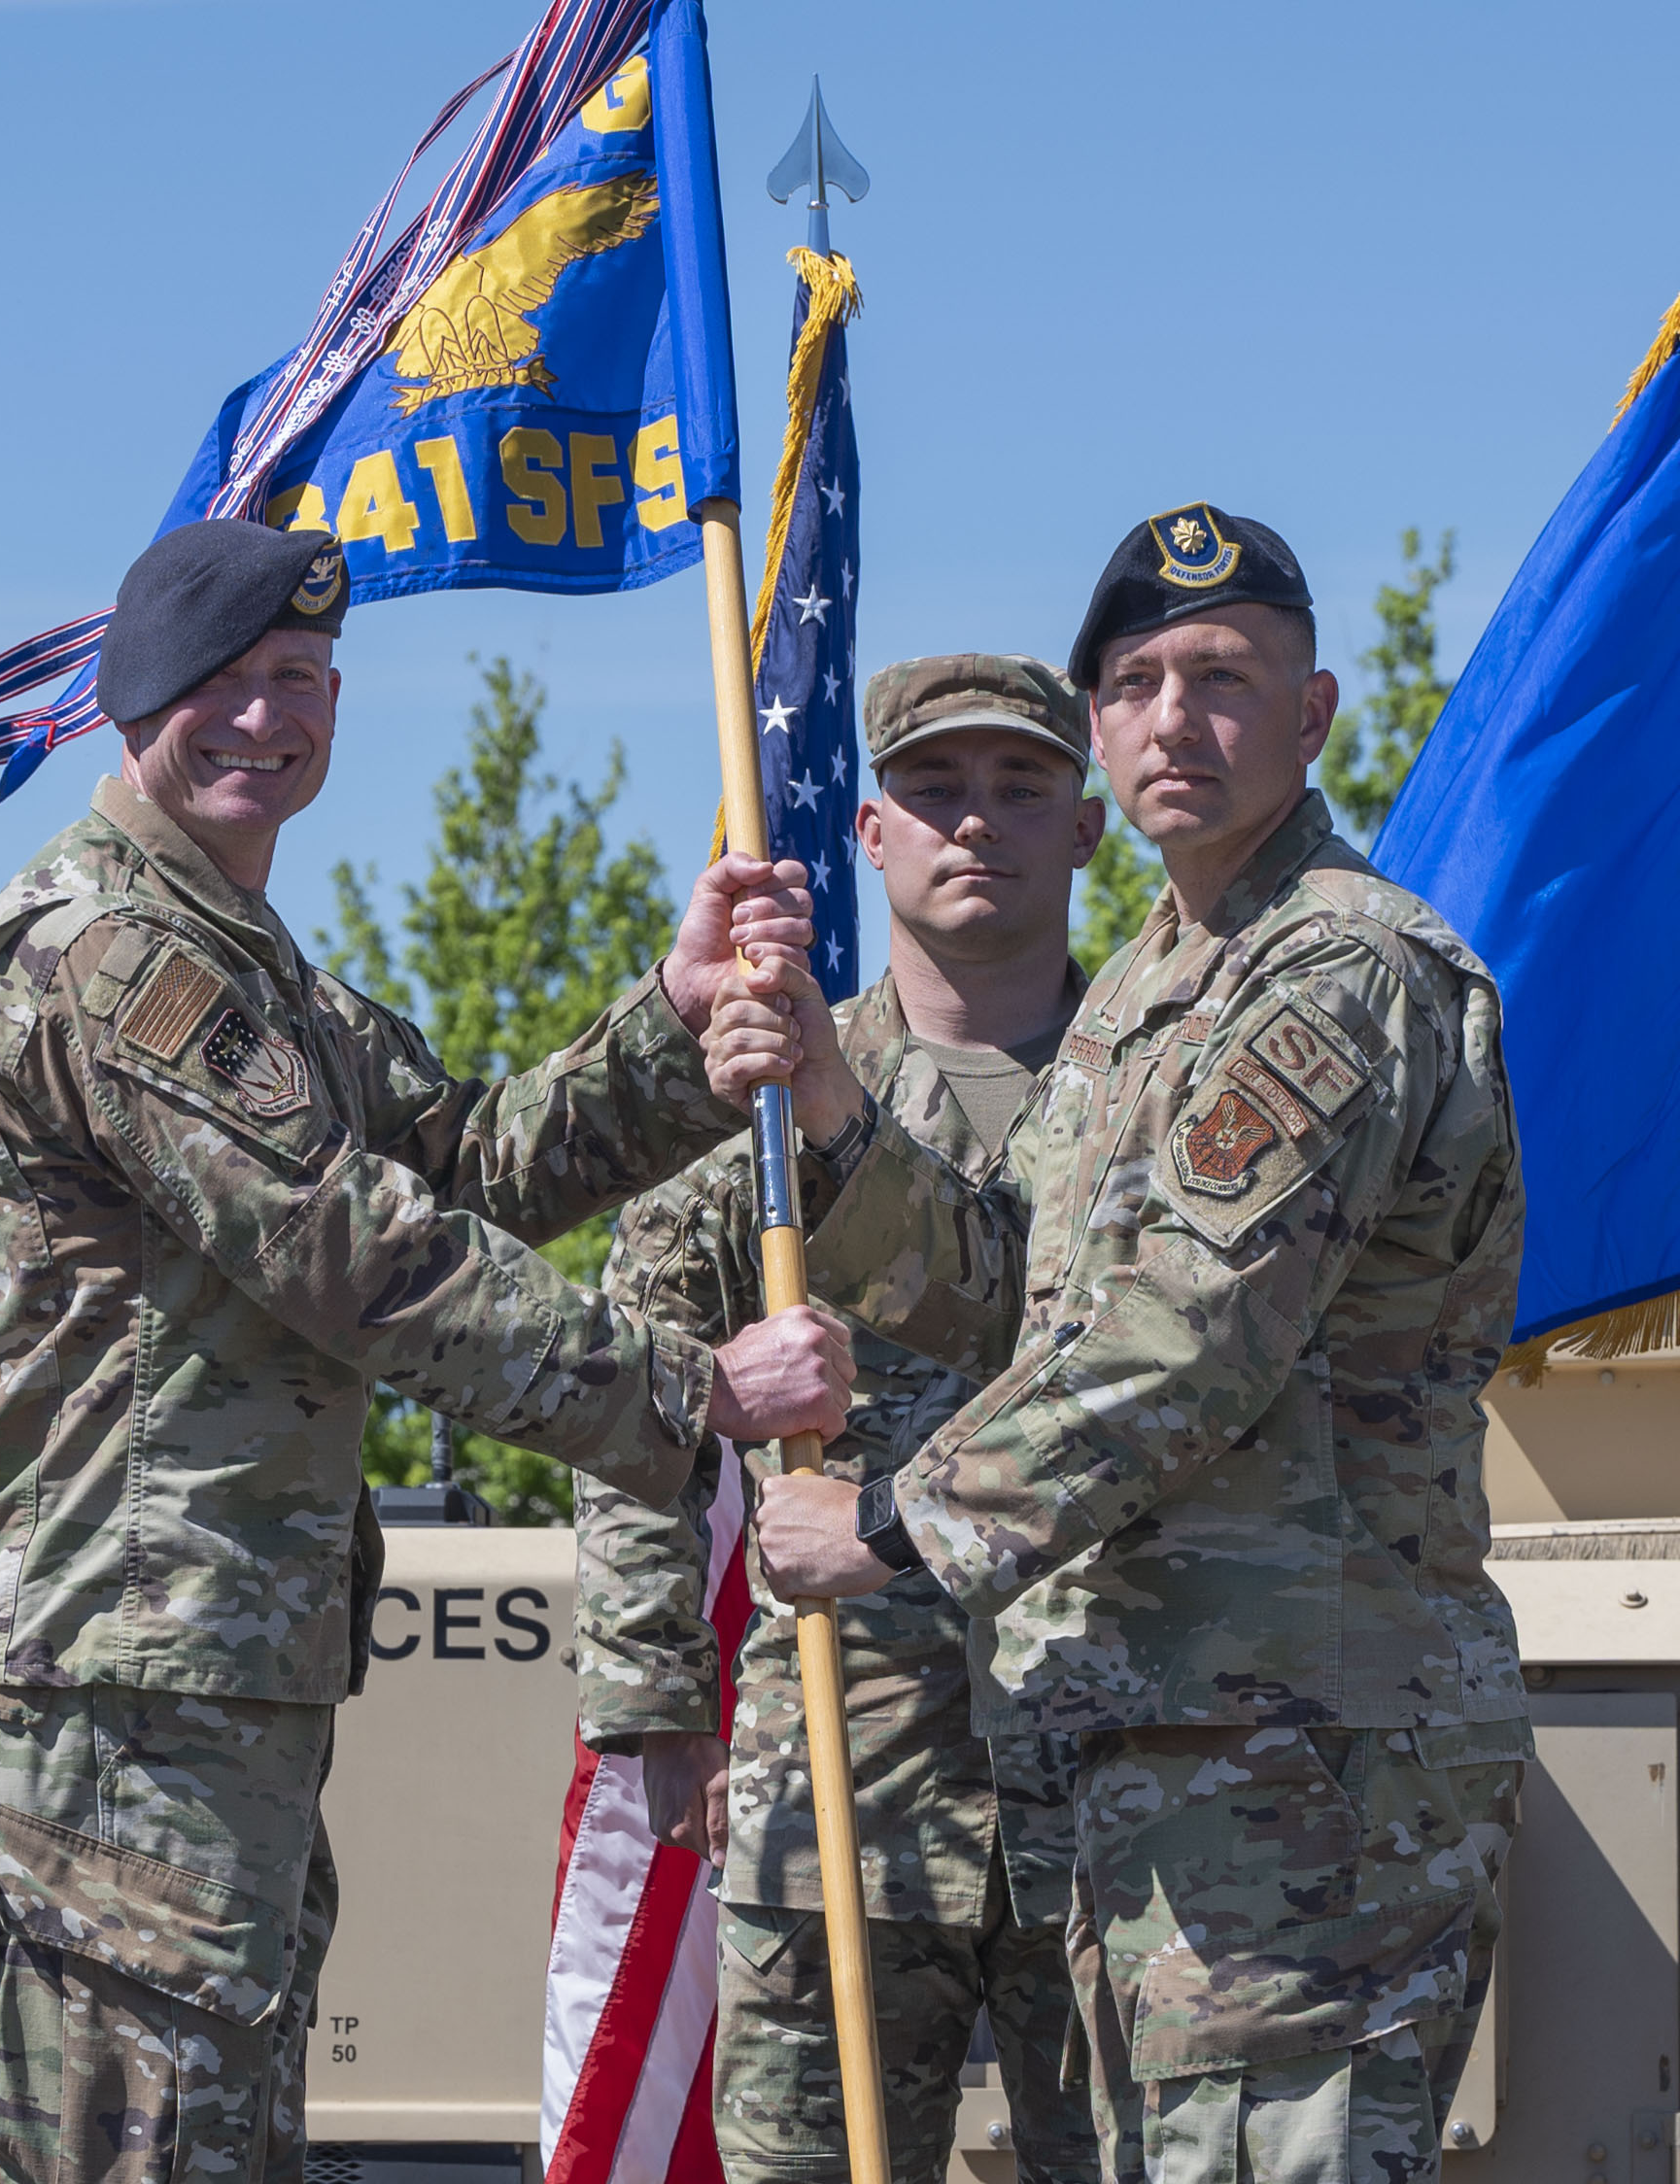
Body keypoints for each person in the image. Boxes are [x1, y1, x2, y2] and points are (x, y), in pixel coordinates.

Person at [0, 518, 861, 2184]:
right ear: (137, 697)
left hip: (210, 1667)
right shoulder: (106, 952)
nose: (266, 722)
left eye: (300, 683)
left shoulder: (261, 974)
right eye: (221, 685)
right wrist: (686, 1394)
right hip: (121, 1675)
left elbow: (470, 1170)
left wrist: (669, 1015)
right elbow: (349, 1245)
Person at [728, 505, 1530, 2184]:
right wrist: (830, 1106)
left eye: (1227, 679)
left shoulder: (1337, 972)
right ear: (1101, 725)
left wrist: (887, 1526)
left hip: (1304, 1768)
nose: (1180, 718)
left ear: (1312, 719)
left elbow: (1186, 1341)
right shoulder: (1147, 991)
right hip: (1158, 1750)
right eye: (1141, 681)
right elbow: (1017, 1280)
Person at [575, 655, 1112, 2184]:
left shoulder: (1155, 1075)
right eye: (937, 791)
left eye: (1022, 789)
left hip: (1125, 1767)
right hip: (845, 1770)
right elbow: (637, 1387)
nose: (978, 826)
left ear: (1086, 830)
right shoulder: (760, 1094)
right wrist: (652, 1696)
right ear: (870, 835)